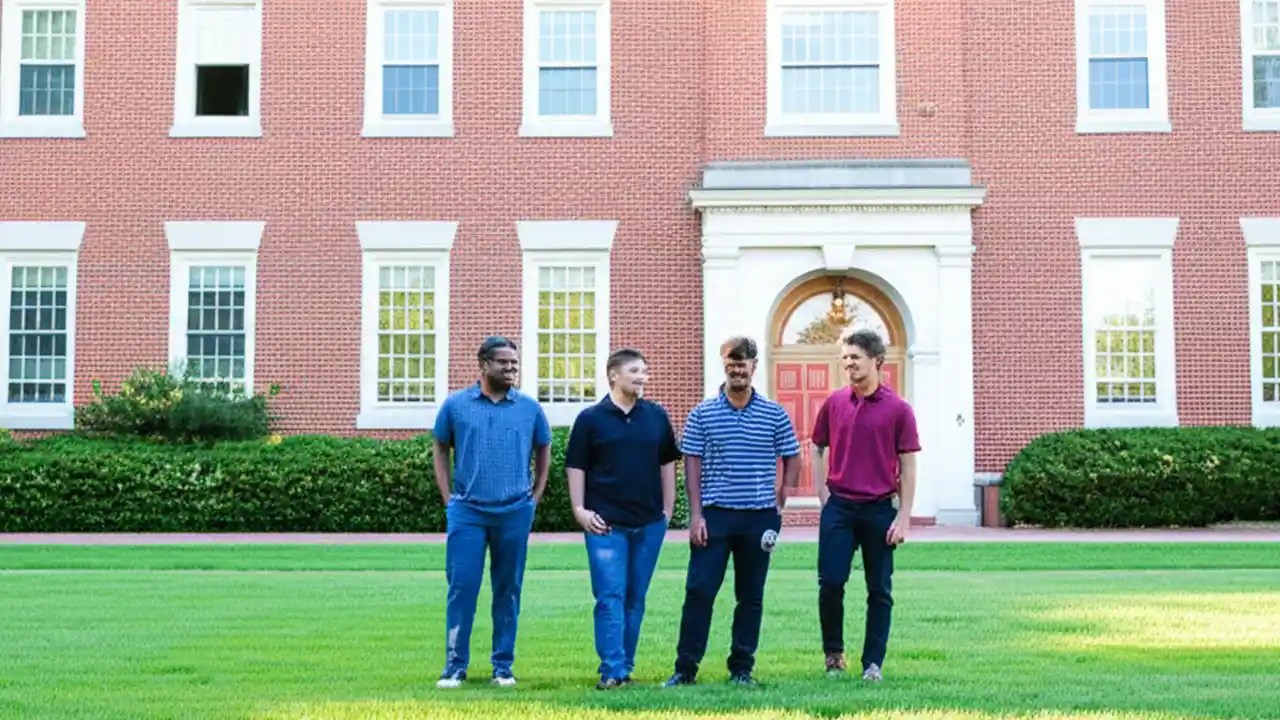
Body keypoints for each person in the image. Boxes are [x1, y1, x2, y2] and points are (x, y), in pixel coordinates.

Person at [664, 336, 801, 687]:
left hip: (759, 518)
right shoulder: (702, 414)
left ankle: (741, 669)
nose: (737, 370)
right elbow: (692, 464)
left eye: (743, 364)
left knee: (750, 596)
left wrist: (782, 497)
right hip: (715, 517)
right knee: (699, 591)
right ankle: (685, 669)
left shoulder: (774, 413)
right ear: (723, 365)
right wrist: (696, 515)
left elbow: (792, 455)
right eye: (731, 364)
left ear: (754, 366)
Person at [432, 336, 551, 689]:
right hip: (467, 512)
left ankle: (502, 666)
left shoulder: (529, 408)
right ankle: (455, 666)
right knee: (462, 587)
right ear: (483, 364)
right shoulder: (456, 405)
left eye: (515, 362)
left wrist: (535, 496)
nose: (511, 368)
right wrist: (449, 498)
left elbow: (544, 447)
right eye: (503, 362)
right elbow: (440, 446)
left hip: (514, 512)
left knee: (508, 589)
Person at [566, 348, 680, 690]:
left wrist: (668, 511)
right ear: (613, 375)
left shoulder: (656, 416)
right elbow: (576, 466)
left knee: (635, 597)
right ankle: (611, 669)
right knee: (609, 595)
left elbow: (667, 464)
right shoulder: (590, 419)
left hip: (649, 523)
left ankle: (625, 665)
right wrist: (579, 510)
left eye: (644, 371)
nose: (642, 377)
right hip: (605, 525)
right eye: (634, 371)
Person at [810, 329, 919, 683]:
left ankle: (873, 664)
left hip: (879, 510)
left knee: (879, 590)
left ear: (877, 361)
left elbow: (908, 464)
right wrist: (823, 496)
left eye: (855, 357)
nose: (849, 363)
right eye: (845, 358)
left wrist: (904, 517)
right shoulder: (834, 403)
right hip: (839, 508)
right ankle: (833, 655)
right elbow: (817, 446)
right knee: (830, 582)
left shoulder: (899, 410)